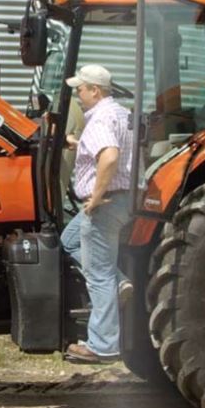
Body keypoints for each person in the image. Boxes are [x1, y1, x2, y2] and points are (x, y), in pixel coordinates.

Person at [60, 64, 134, 364]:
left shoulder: (100, 118)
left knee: (98, 275)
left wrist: (97, 195)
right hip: (124, 199)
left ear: (95, 90)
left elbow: (110, 156)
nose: (78, 95)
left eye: (80, 89)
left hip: (105, 204)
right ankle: (120, 281)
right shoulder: (120, 113)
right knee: (69, 240)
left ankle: (102, 346)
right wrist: (78, 144)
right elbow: (111, 148)